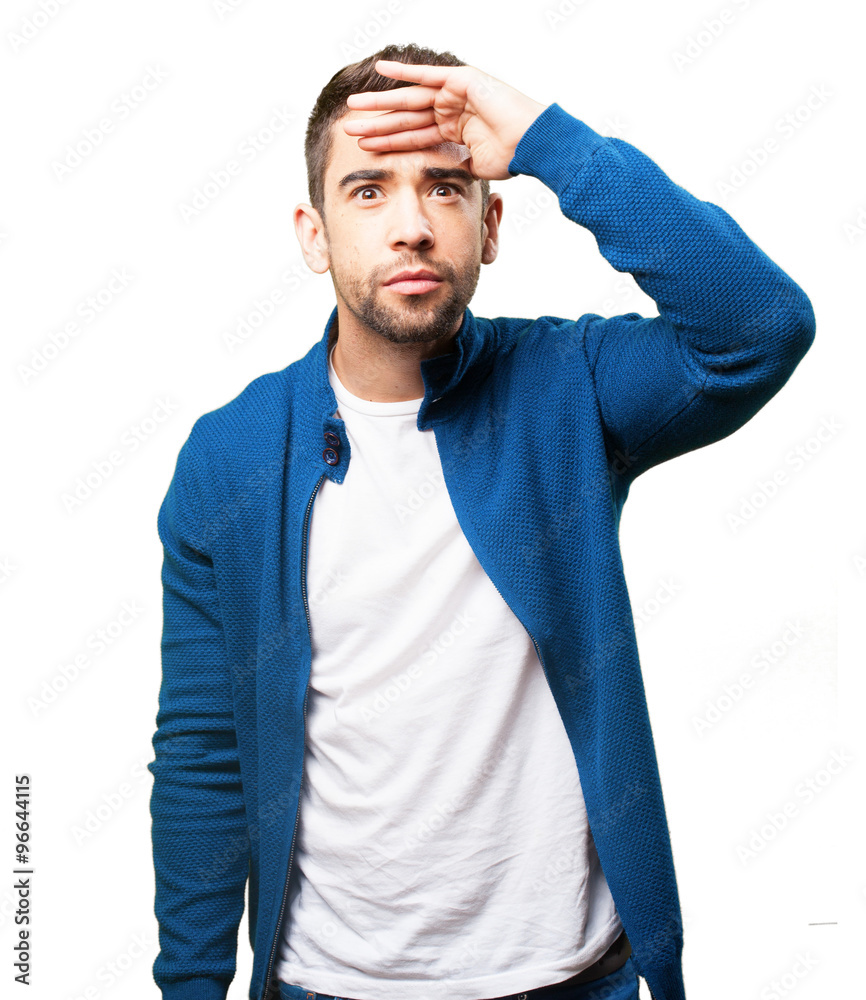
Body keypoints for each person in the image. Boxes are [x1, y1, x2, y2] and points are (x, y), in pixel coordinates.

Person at [147, 42, 815, 1000]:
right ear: (312, 231)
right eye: (369, 191)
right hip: (327, 984)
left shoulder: (570, 389)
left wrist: (552, 143)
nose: (412, 226)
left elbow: (759, 327)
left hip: (570, 978)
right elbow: (204, 755)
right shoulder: (231, 458)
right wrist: (191, 990)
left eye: (446, 188)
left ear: (491, 222)